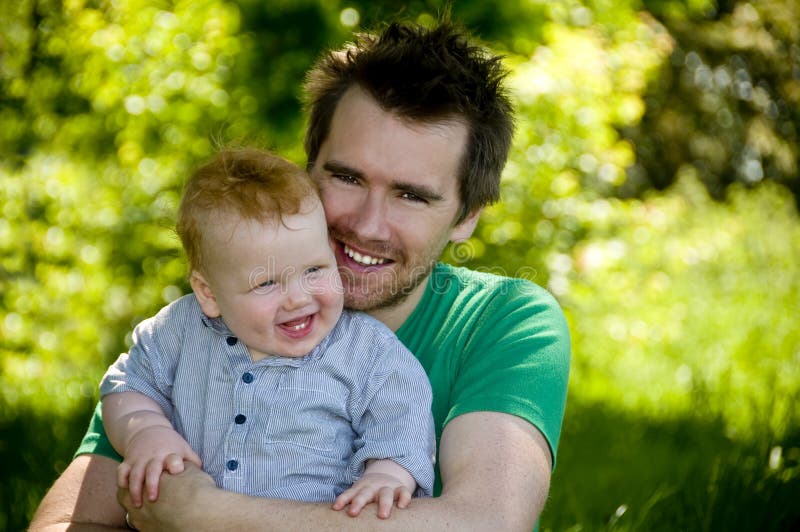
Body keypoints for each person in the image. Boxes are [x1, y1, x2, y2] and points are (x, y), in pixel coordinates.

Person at [31, 17, 570, 532]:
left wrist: (209, 519)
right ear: (307, 168)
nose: (366, 224)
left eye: (411, 195)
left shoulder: (502, 322)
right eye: (346, 177)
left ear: (467, 213)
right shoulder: (212, 323)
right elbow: (66, 521)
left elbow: (487, 522)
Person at [98, 148, 435, 519]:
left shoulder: (366, 351)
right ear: (209, 293)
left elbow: (403, 419)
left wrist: (388, 473)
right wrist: (145, 432)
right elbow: (126, 386)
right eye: (267, 282)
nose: (297, 298)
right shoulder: (179, 331)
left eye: (314, 270)